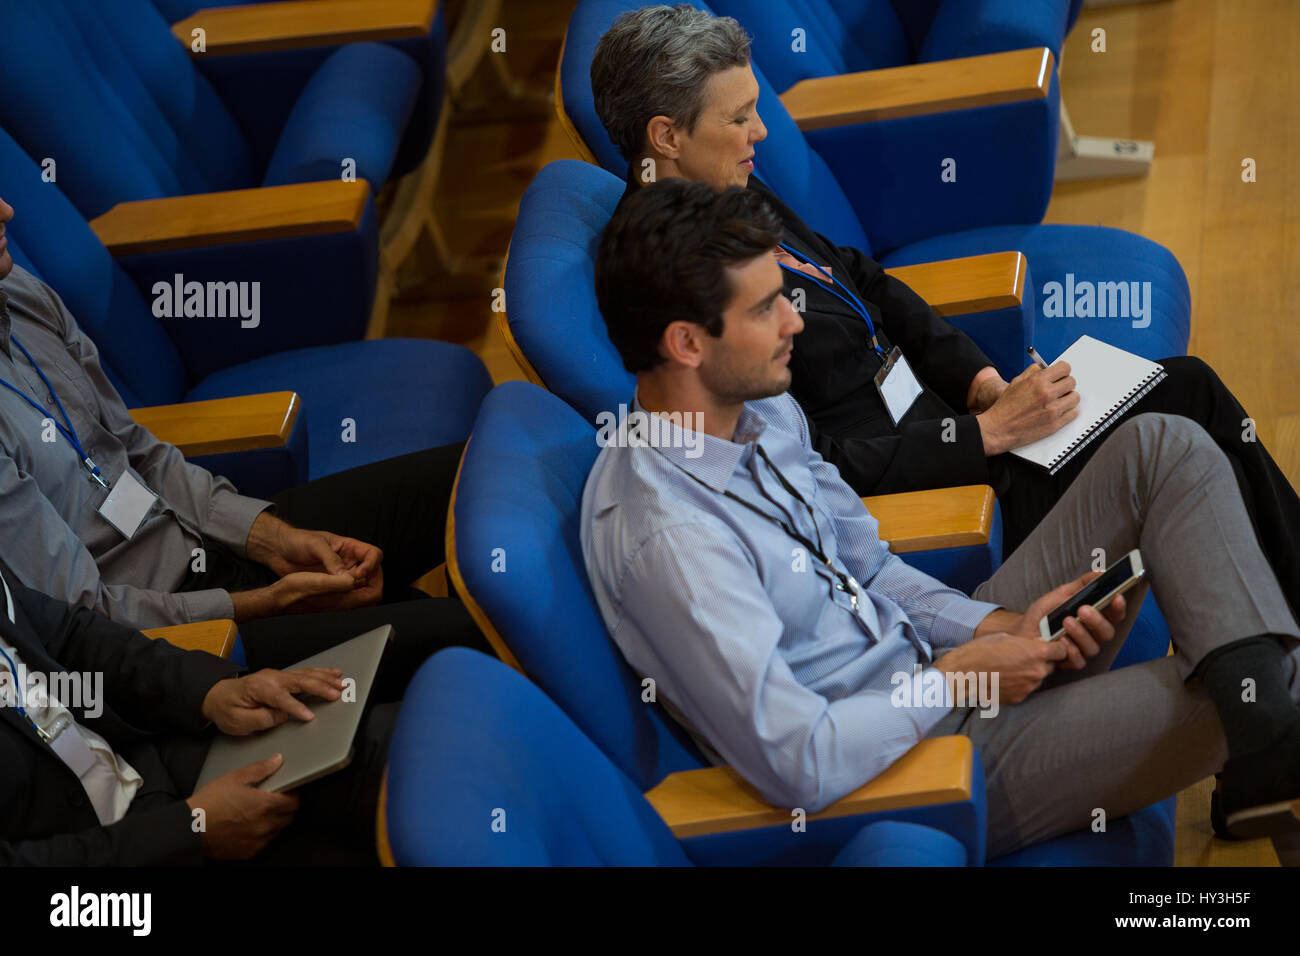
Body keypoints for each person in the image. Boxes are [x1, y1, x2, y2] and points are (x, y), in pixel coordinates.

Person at [582, 179, 1300, 856]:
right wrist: (961, 678)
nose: (795, 319)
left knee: (1161, 445)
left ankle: (1269, 734)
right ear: (686, 343)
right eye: (766, 307)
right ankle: (1272, 730)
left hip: (932, 668)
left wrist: (996, 630)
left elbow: (868, 565)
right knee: (1253, 680)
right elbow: (799, 759)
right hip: (915, 769)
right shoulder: (670, 540)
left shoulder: (763, 411)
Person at [589, 5, 1300, 619]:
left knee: (1181, 391)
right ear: (665, 137)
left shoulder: (722, 188)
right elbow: (809, 469)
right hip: (939, 501)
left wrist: (981, 384)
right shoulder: (678, 279)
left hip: (958, 425)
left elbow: (862, 278)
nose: (762, 134)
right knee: (1186, 396)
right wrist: (982, 436)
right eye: (739, 118)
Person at [0, 195, 488, 690]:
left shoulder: (18, 291)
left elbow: (137, 448)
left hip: (200, 535)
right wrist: (268, 603)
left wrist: (271, 538)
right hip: (180, 635)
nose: (7, 210)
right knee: (467, 633)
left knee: (486, 474)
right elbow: (88, 619)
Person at [0, 557, 390, 865]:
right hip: (109, 862)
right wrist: (187, 832)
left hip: (139, 764)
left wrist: (213, 692)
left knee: (376, 754)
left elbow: (70, 635)